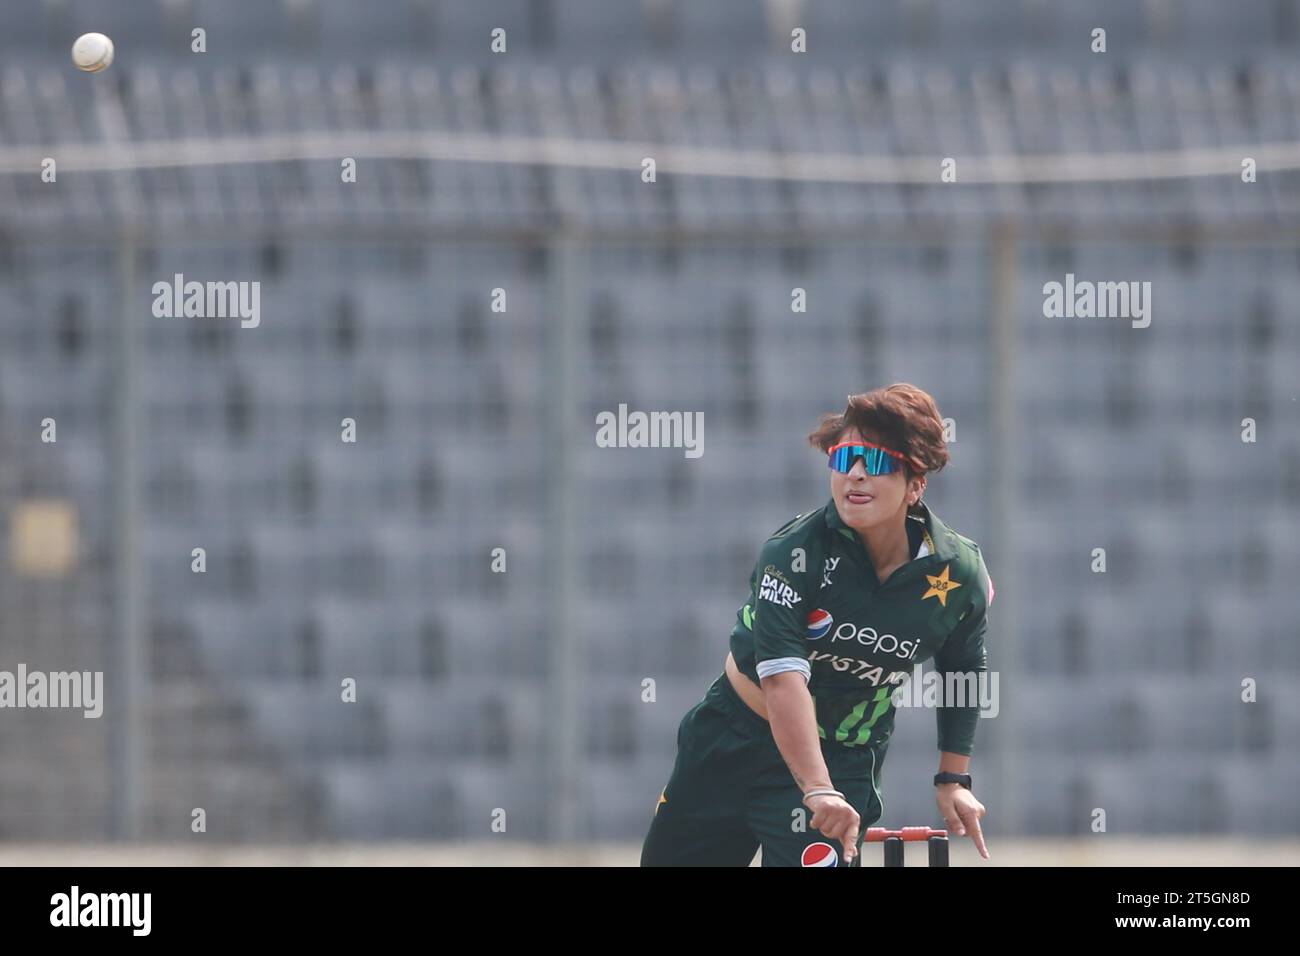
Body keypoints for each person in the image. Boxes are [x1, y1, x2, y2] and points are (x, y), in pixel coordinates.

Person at [641, 383, 993, 867]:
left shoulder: (959, 574)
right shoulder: (794, 553)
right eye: (845, 456)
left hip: (843, 756)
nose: (854, 475)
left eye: (878, 462)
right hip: (731, 740)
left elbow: (964, 667)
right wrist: (816, 788)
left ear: (916, 485)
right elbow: (784, 679)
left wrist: (953, 779)